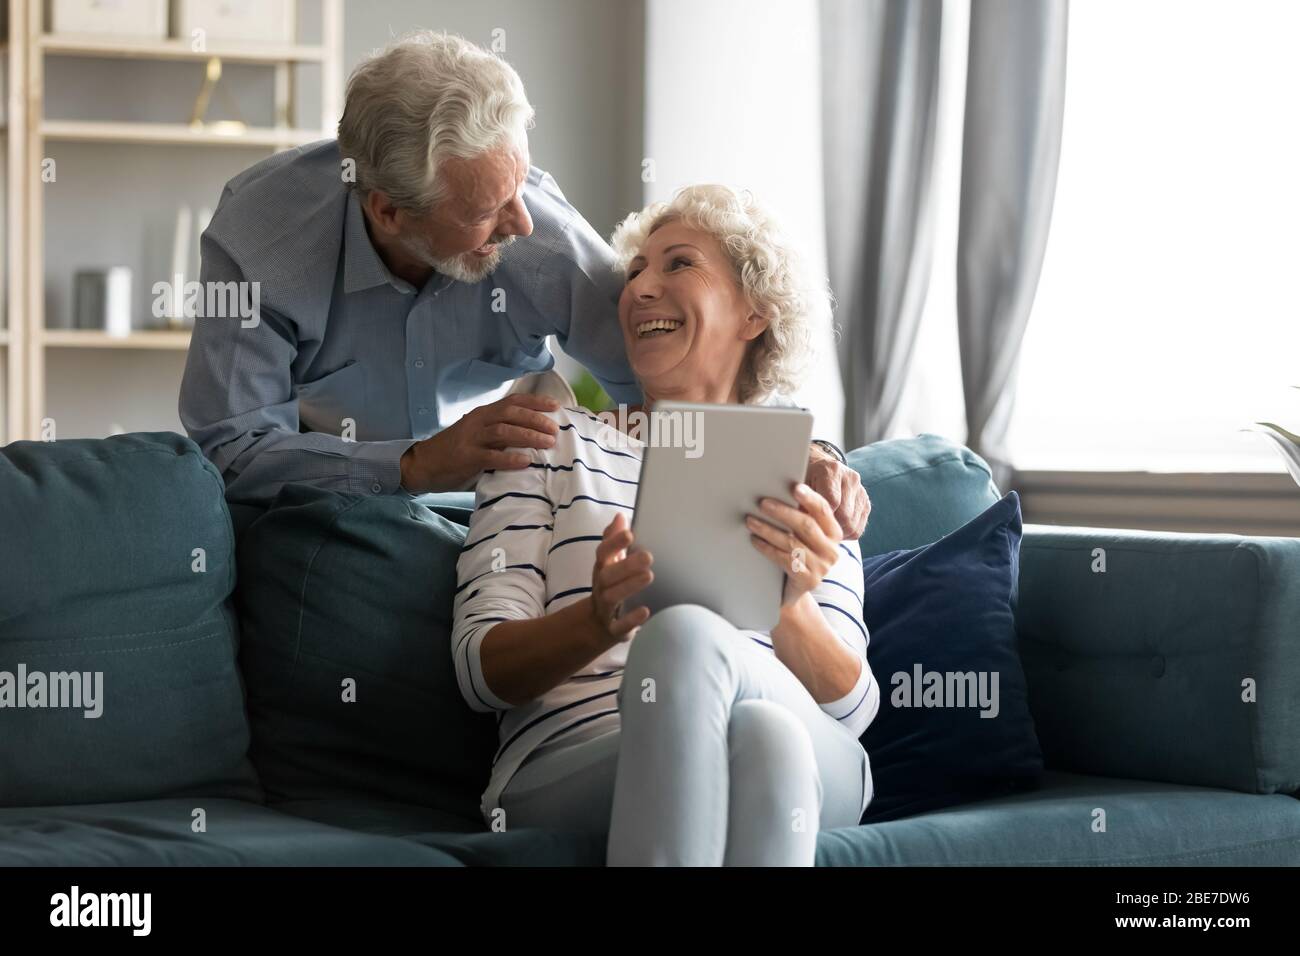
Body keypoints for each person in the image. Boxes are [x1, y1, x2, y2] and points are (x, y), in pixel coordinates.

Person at [178, 29, 868, 538]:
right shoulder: (260, 243)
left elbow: (683, 371)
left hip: (508, 516)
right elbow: (232, 452)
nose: (520, 221)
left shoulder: (538, 232)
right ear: (388, 209)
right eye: (485, 211)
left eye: (520, 185)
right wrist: (413, 465)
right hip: (327, 514)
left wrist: (802, 451)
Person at [451, 185, 879, 866]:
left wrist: (790, 608)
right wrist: (595, 622)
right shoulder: (550, 435)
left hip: (815, 753)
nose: (641, 288)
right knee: (763, 741)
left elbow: (852, 710)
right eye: (635, 272)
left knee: (757, 714)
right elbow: (479, 671)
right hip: (574, 759)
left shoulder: (804, 471)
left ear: (754, 313)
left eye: (678, 264)